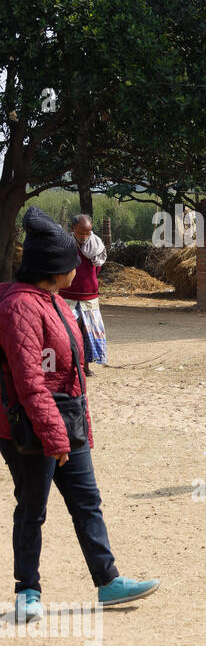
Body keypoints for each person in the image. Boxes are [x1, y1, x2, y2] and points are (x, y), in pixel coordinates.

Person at [0, 207, 159, 622]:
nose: (79, 268)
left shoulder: (52, 299)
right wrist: (54, 437)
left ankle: (108, 582)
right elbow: (30, 382)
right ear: (54, 270)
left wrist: (73, 429)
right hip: (28, 425)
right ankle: (27, 592)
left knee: (87, 501)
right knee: (32, 507)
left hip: (65, 418)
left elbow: (70, 371)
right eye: (73, 262)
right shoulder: (19, 308)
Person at [60, 214, 109, 375]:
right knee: (67, 331)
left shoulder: (97, 245)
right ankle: (68, 366)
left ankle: (85, 367)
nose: (84, 236)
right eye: (81, 233)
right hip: (67, 295)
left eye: (88, 233)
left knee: (89, 334)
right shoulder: (64, 245)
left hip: (89, 295)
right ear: (73, 229)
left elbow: (97, 269)